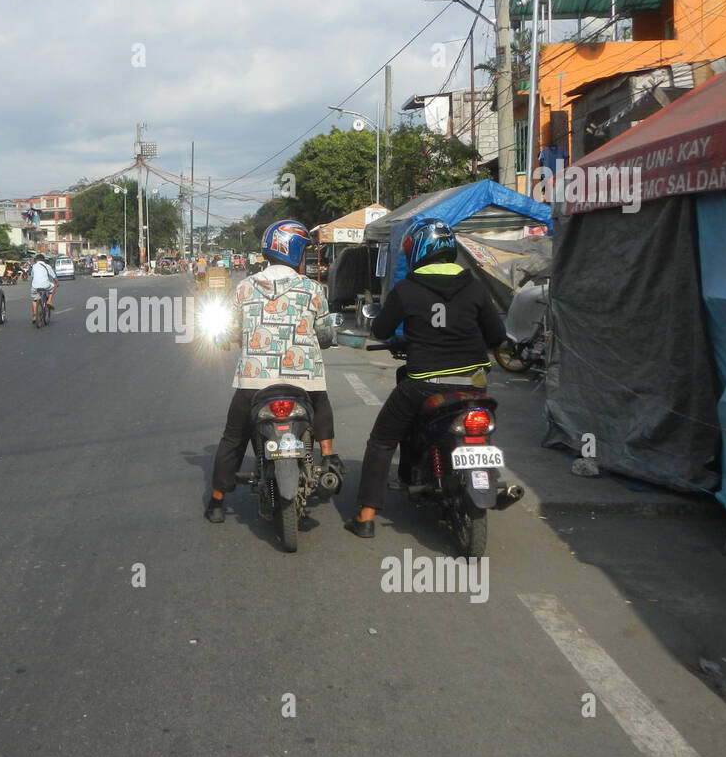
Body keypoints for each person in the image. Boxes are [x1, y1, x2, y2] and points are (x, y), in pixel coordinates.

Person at [346, 219, 509, 538]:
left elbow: (380, 330)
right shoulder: (473, 285)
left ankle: (365, 516)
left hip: (423, 384)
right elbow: (497, 335)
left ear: (418, 250)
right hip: (474, 382)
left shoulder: (406, 289)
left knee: (381, 440)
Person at [205, 219, 343, 523]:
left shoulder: (244, 287)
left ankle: (216, 501)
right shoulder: (313, 289)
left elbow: (227, 331)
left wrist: (226, 338)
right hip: (304, 381)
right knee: (321, 402)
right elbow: (327, 334)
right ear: (295, 252)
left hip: (255, 380)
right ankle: (330, 456)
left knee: (233, 436)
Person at [29, 253, 57, 322]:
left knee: (34, 300)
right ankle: (49, 301)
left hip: (35, 286)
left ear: (36, 260)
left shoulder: (34, 266)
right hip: (46, 285)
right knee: (53, 286)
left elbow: (32, 277)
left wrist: (33, 284)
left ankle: (35, 316)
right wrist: (57, 283)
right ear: (43, 260)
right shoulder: (47, 266)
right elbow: (54, 277)